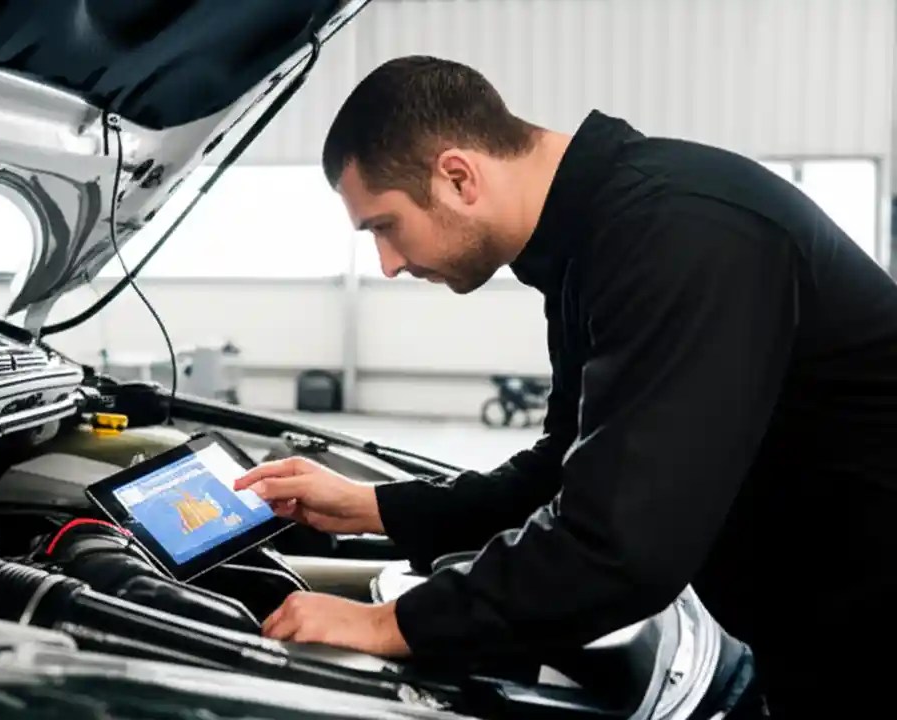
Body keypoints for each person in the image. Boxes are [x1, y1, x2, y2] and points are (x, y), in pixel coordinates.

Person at [233, 55, 897, 715]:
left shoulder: (678, 234)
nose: (387, 265)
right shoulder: (596, 242)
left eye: (384, 226)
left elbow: (621, 546)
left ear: (458, 176)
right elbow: (568, 467)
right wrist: (378, 508)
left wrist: (389, 625)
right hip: (820, 638)